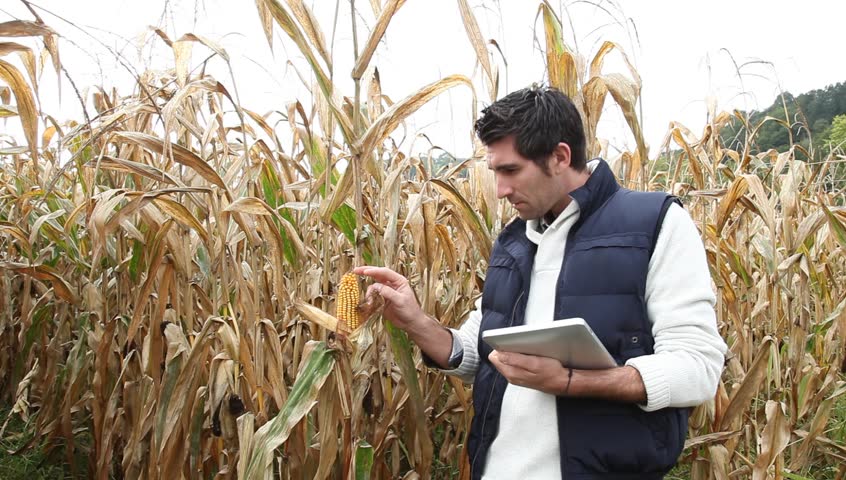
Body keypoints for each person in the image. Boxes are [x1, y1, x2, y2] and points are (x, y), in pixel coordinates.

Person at [354, 85, 726, 480]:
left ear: (560, 157)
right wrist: (415, 321)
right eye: (495, 172)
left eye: (511, 171)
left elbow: (697, 367)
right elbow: (482, 358)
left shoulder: (652, 225)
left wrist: (571, 382)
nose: (500, 190)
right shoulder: (514, 242)